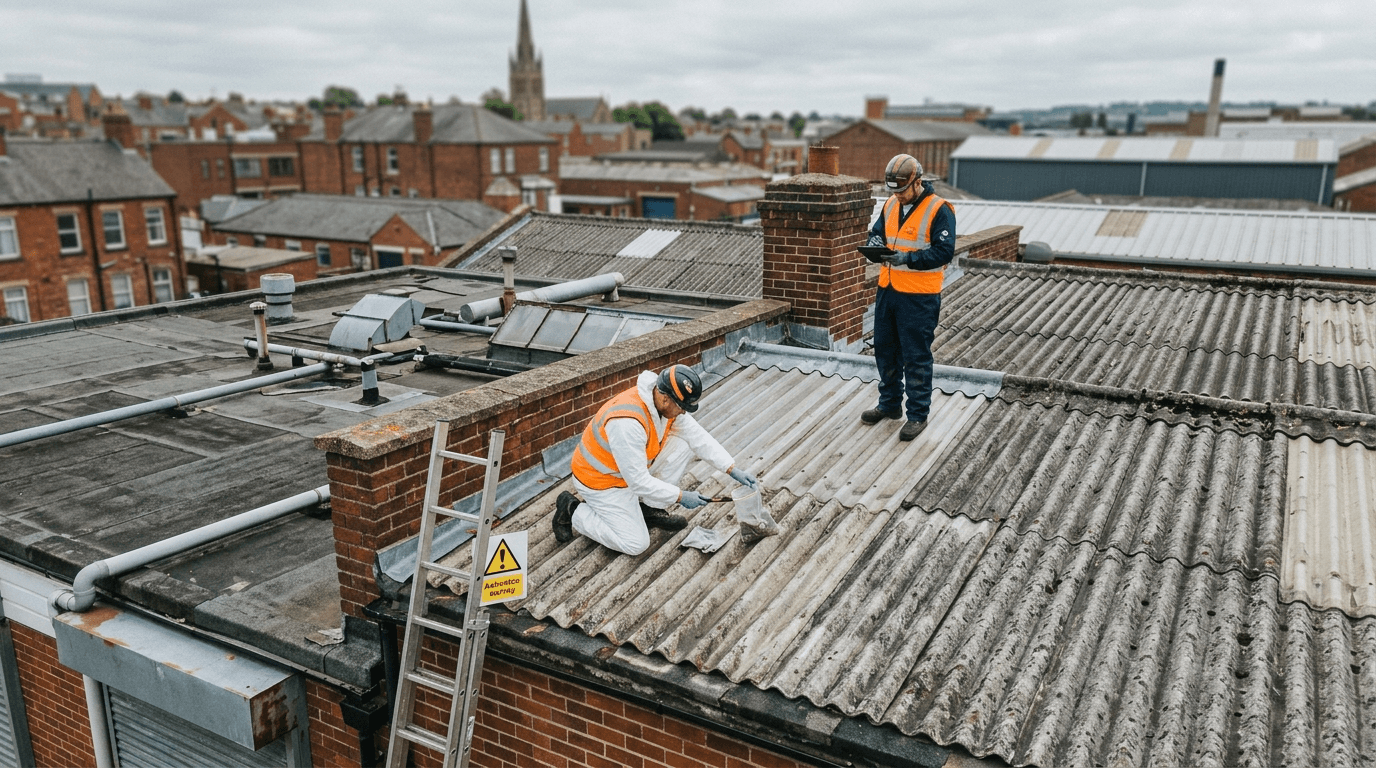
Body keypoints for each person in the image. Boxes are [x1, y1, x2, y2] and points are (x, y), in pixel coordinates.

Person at [552, 365, 758, 555]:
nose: (683, 412)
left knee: (684, 443)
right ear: (666, 399)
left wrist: (732, 469)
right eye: (682, 407)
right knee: (636, 544)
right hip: (601, 482)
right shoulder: (627, 422)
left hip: (626, 473)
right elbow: (638, 481)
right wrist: (680, 496)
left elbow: (698, 437)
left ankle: (648, 508)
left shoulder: (663, 404)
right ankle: (572, 510)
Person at [862, 154, 956, 441]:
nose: (898, 196)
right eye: (894, 191)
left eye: (902, 190)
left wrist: (908, 258)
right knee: (885, 349)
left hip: (919, 297)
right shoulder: (891, 203)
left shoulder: (939, 209)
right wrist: (874, 241)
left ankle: (917, 414)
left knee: (916, 356)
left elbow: (944, 252)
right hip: (888, 290)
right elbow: (878, 231)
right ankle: (890, 404)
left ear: (917, 182)